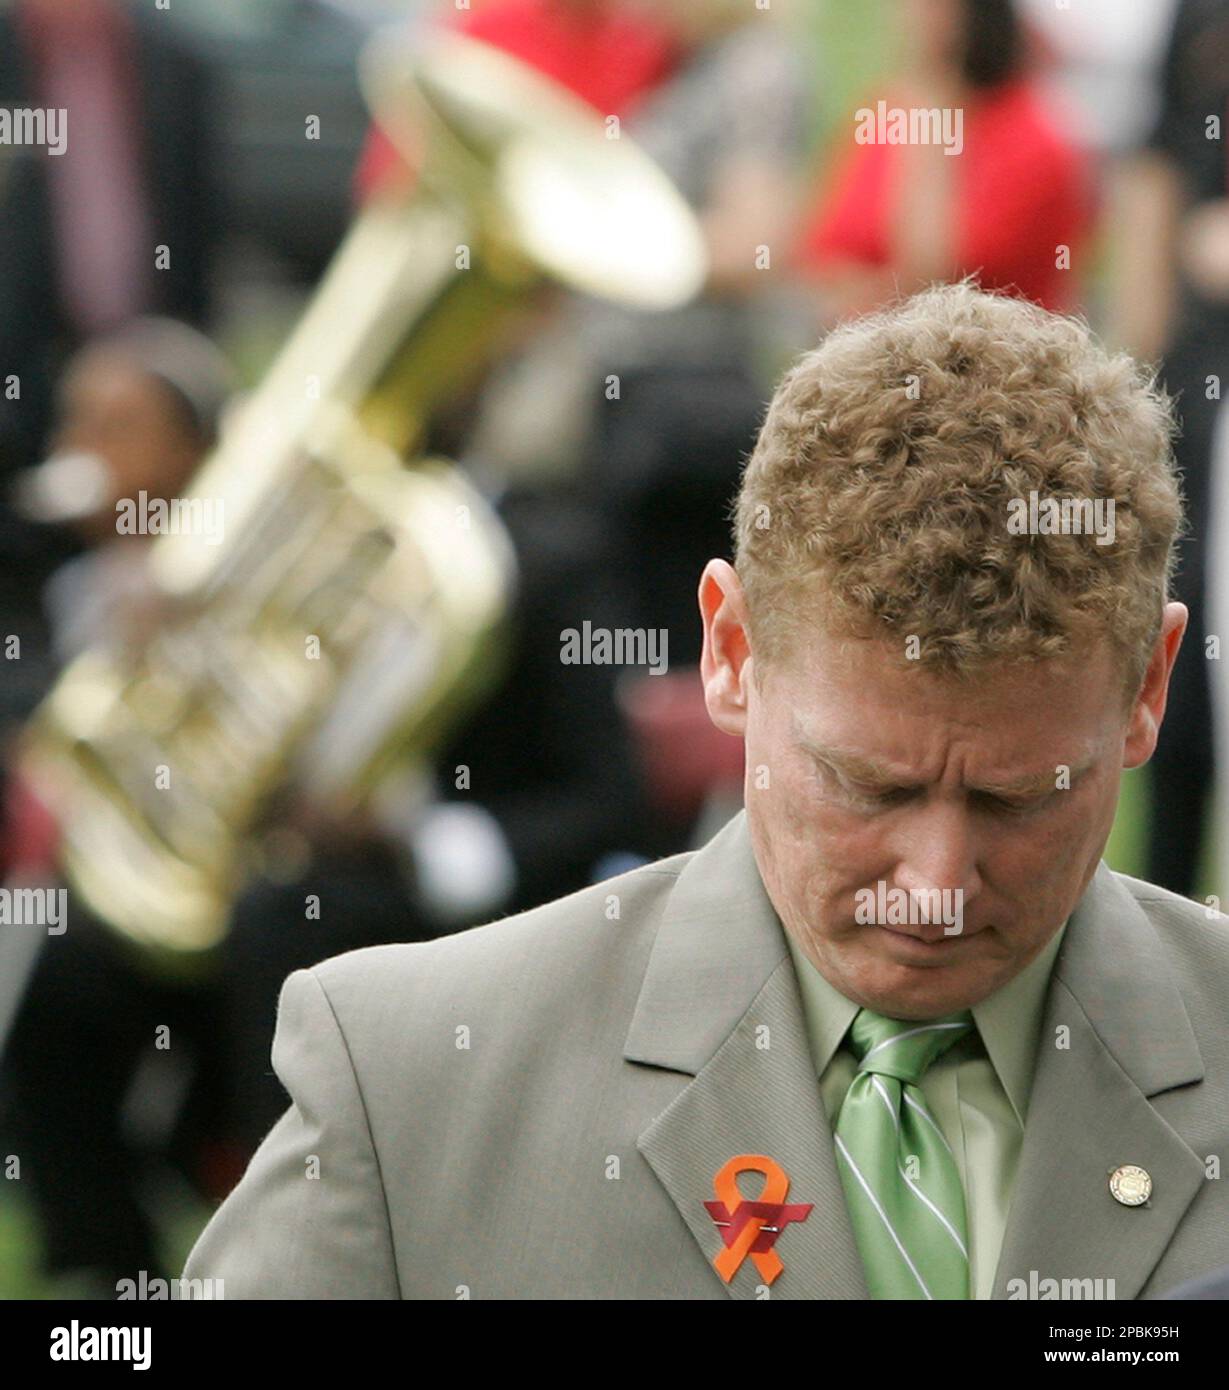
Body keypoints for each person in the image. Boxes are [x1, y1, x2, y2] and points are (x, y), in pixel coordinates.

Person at [183, 283, 1229, 1299]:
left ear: (1147, 687)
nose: (934, 881)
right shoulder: (403, 1082)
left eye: (1017, 795)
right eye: (866, 784)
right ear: (728, 651)